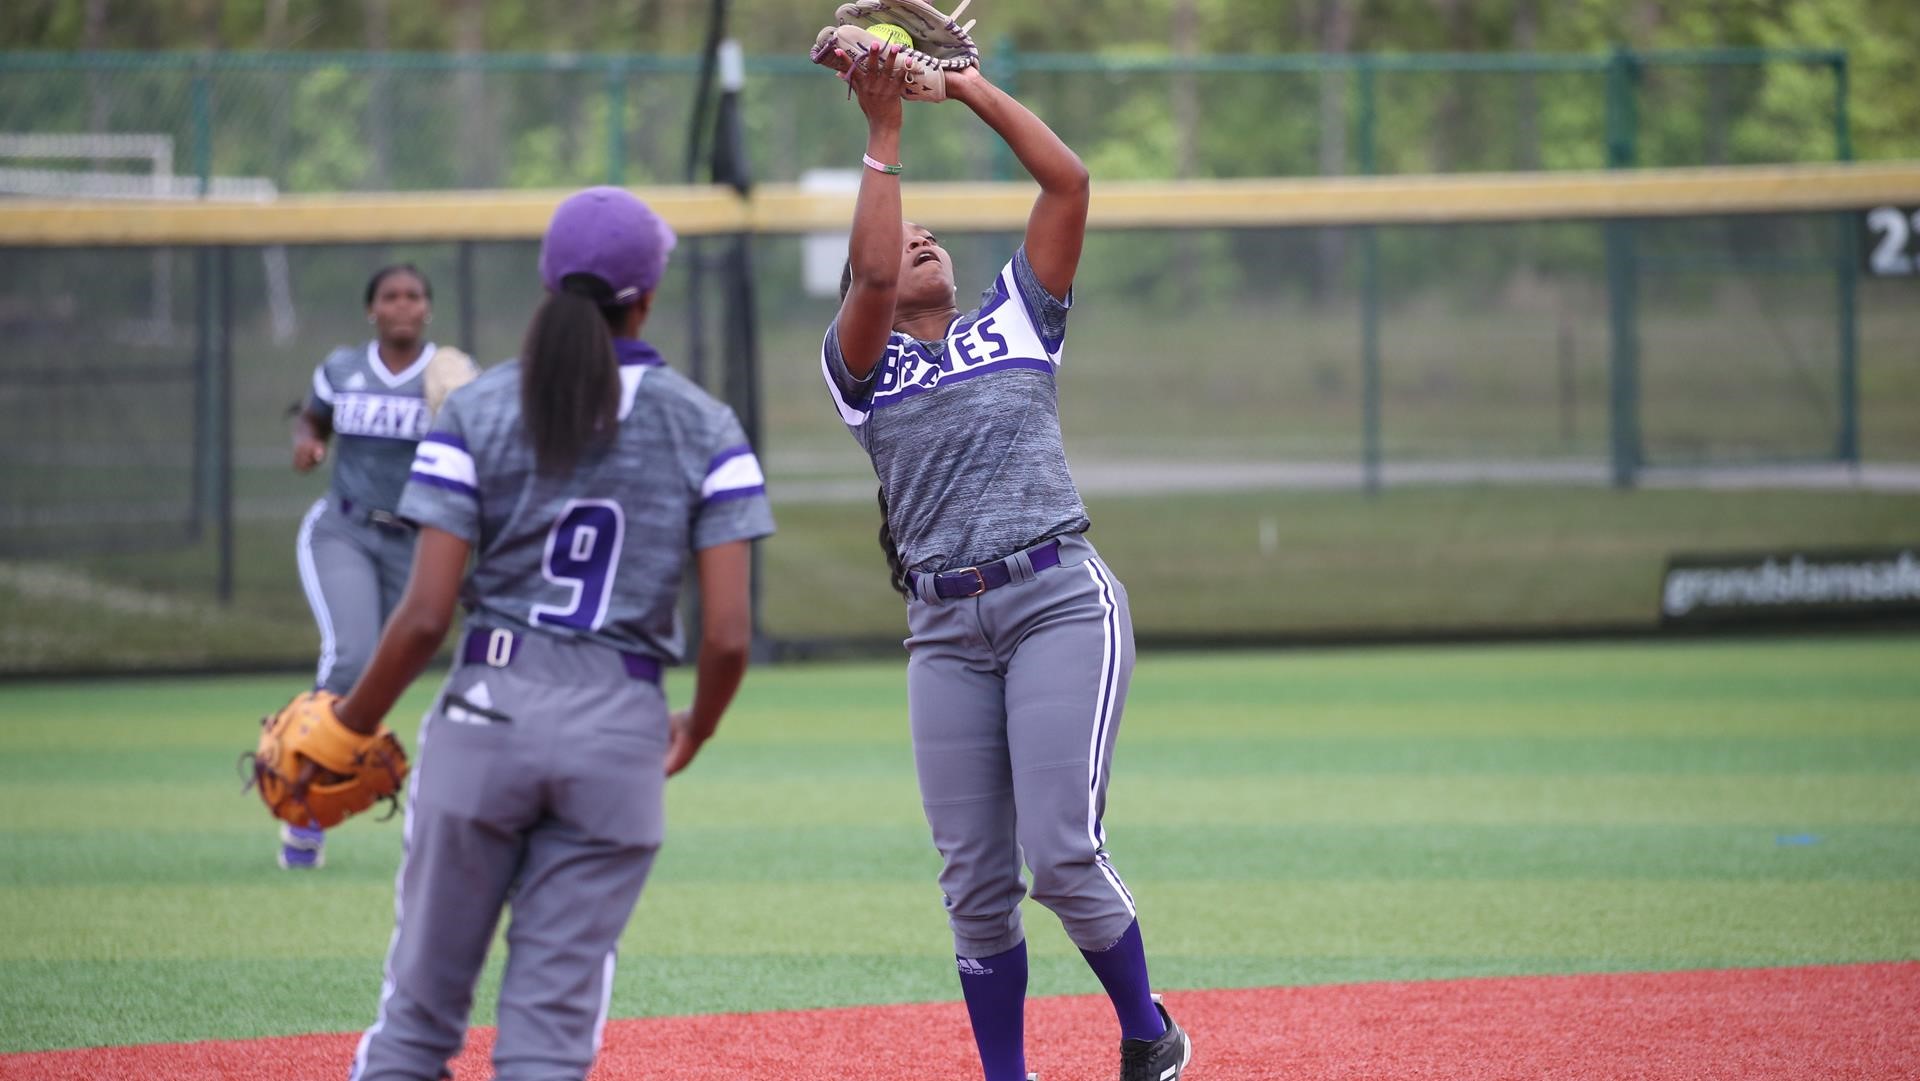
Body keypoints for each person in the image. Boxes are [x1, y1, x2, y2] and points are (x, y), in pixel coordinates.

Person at [339, 186, 773, 1081]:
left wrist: (350, 722)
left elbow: (424, 615)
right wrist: (698, 725)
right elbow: (729, 635)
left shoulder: (479, 407)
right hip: (620, 721)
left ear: (548, 283)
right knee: (545, 1043)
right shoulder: (705, 425)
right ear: (646, 297)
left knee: (416, 1027)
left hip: (487, 707)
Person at [818, 44, 1191, 1081]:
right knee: (975, 887)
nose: (919, 239)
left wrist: (963, 86)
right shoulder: (859, 368)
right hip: (944, 631)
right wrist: (882, 131)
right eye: (901, 236)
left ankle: (1148, 1032)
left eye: (929, 232)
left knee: (1061, 853)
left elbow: (1068, 183)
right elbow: (874, 269)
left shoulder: (1017, 317)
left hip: (1055, 600)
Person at [285, 264, 455, 871]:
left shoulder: (446, 375)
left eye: (414, 295)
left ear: (428, 309)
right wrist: (307, 441)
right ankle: (301, 810)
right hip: (346, 529)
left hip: (418, 541)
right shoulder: (342, 368)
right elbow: (313, 417)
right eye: (390, 296)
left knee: (395, 678)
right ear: (371, 310)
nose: (403, 305)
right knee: (351, 659)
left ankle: (449, 819)